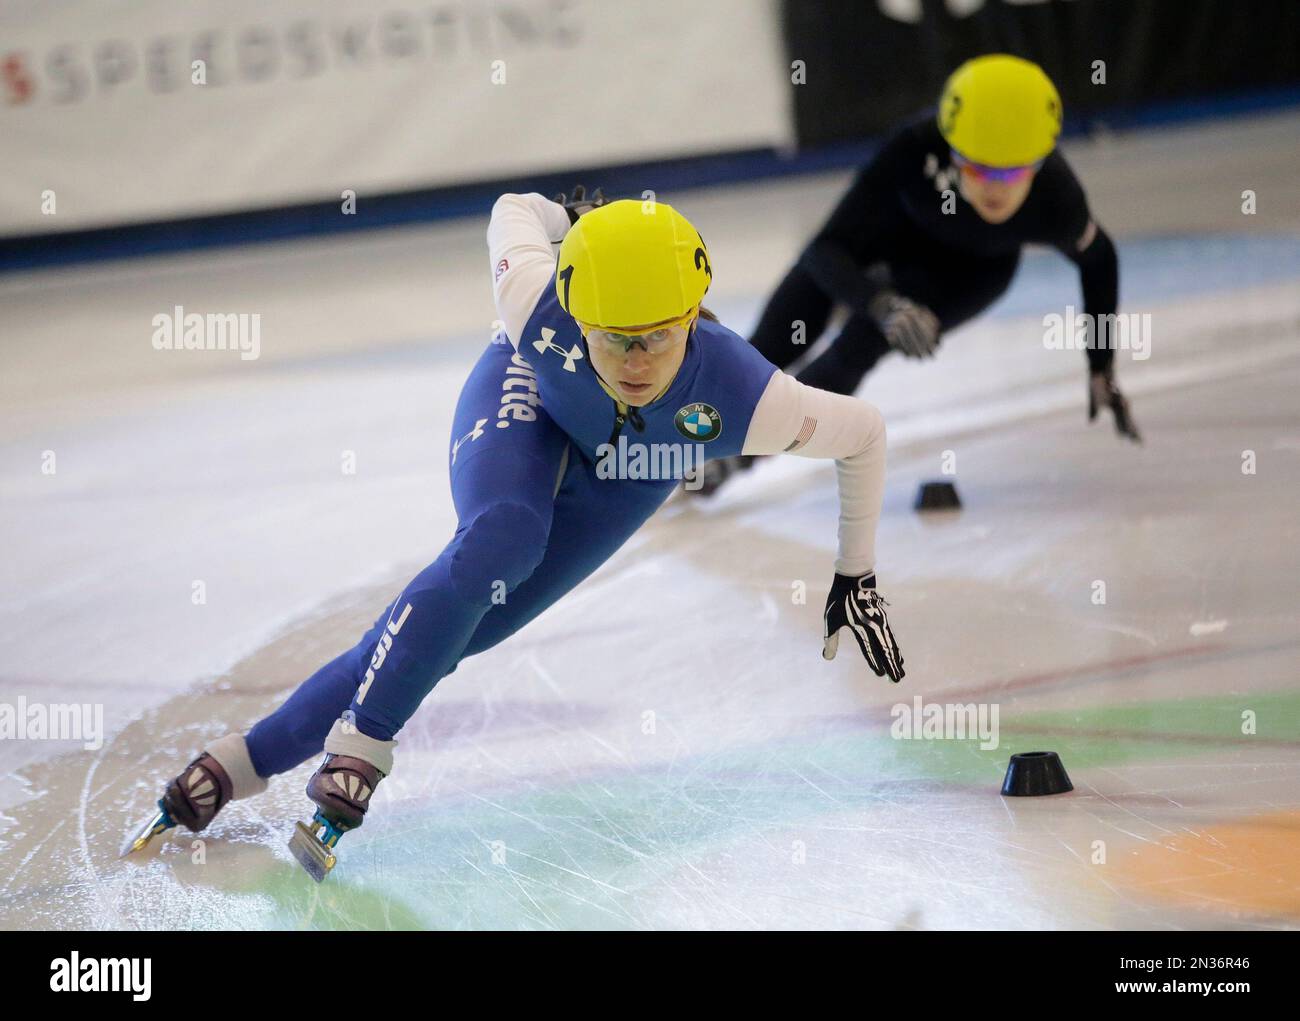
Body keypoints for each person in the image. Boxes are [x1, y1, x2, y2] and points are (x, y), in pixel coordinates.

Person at [125, 191, 905, 880]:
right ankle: (362, 744)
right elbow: (513, 207)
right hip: (530, 394)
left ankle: (241, 760)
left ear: (696, 316)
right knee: (505, 537)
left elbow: (863, 434)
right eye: (612, 337)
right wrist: (571, 220)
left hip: (635, 469)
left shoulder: (748, 395)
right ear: (575, 309)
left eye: (659, 337)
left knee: (457, 628)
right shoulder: (534, 299)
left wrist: (854, 574)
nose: (635, 361)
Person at [698, 54, 1139, 496]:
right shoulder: (913, 147)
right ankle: (687, 432)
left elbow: (1099, 261)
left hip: (968, 273)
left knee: (860, 343)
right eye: (978, 166)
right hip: (887, 242)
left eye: (1014, 170)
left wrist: (1101, 366)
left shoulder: (1057, 198)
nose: (996, 186)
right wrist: (878, 299)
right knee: (771, 345)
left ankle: (735, 458)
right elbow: (824, 249)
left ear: (1041, 163)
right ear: (951, 150)